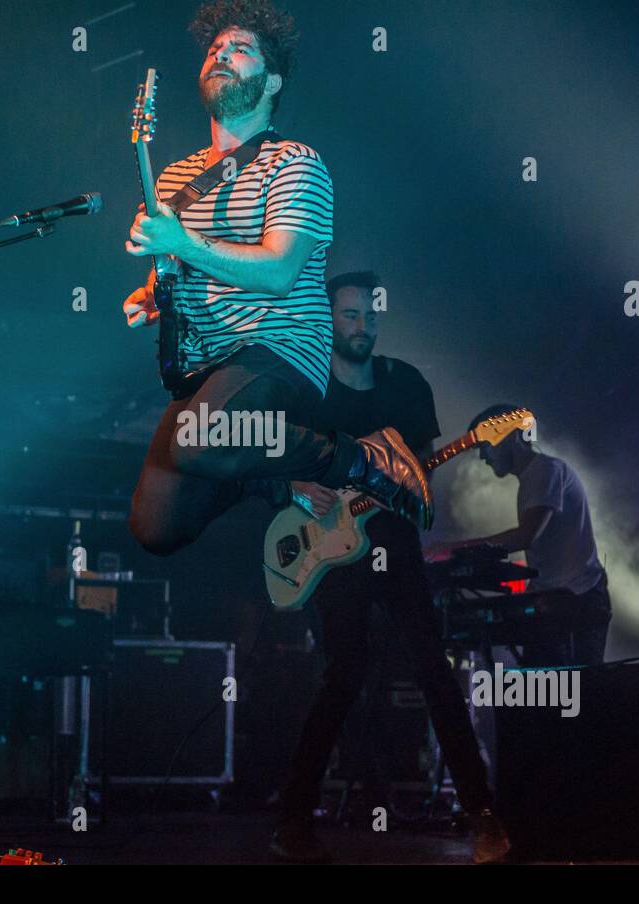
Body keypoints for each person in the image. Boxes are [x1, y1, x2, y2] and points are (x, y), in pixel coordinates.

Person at [123, 0, 432, 559]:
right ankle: (271, 474)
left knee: (201, 439)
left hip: (279, 344)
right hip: (206, 365)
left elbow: (281, 272)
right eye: (215, 49)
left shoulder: (296, 164)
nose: (222, 55)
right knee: (155, 527)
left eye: (240, 49)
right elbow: (179, 269)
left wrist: (183, 243)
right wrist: (151, 293)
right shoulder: (174, 177)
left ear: (271, 81)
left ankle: (364, 459)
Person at [270, 271, 510, 864]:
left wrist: (414, 479)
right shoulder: (304, 387)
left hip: (396, 547)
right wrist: (297, 486)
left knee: (434, 671)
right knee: (342, 677)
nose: (363, 325)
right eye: (350, 314)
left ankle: (484, 817)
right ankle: (293, 819)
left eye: (370, 314)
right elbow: (263, 462)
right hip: (333, 554)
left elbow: (423, 468)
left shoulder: (407, 385)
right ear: (327, 320)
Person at [436, 405, 611, 666]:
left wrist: (452, 550)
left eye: (485, 444)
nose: (483, 456)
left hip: (577, 599)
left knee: (574, 695)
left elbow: (524, 537)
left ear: (511, 435)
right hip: (559, 597)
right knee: (549, 694)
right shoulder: (535, 475)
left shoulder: (545, 470)